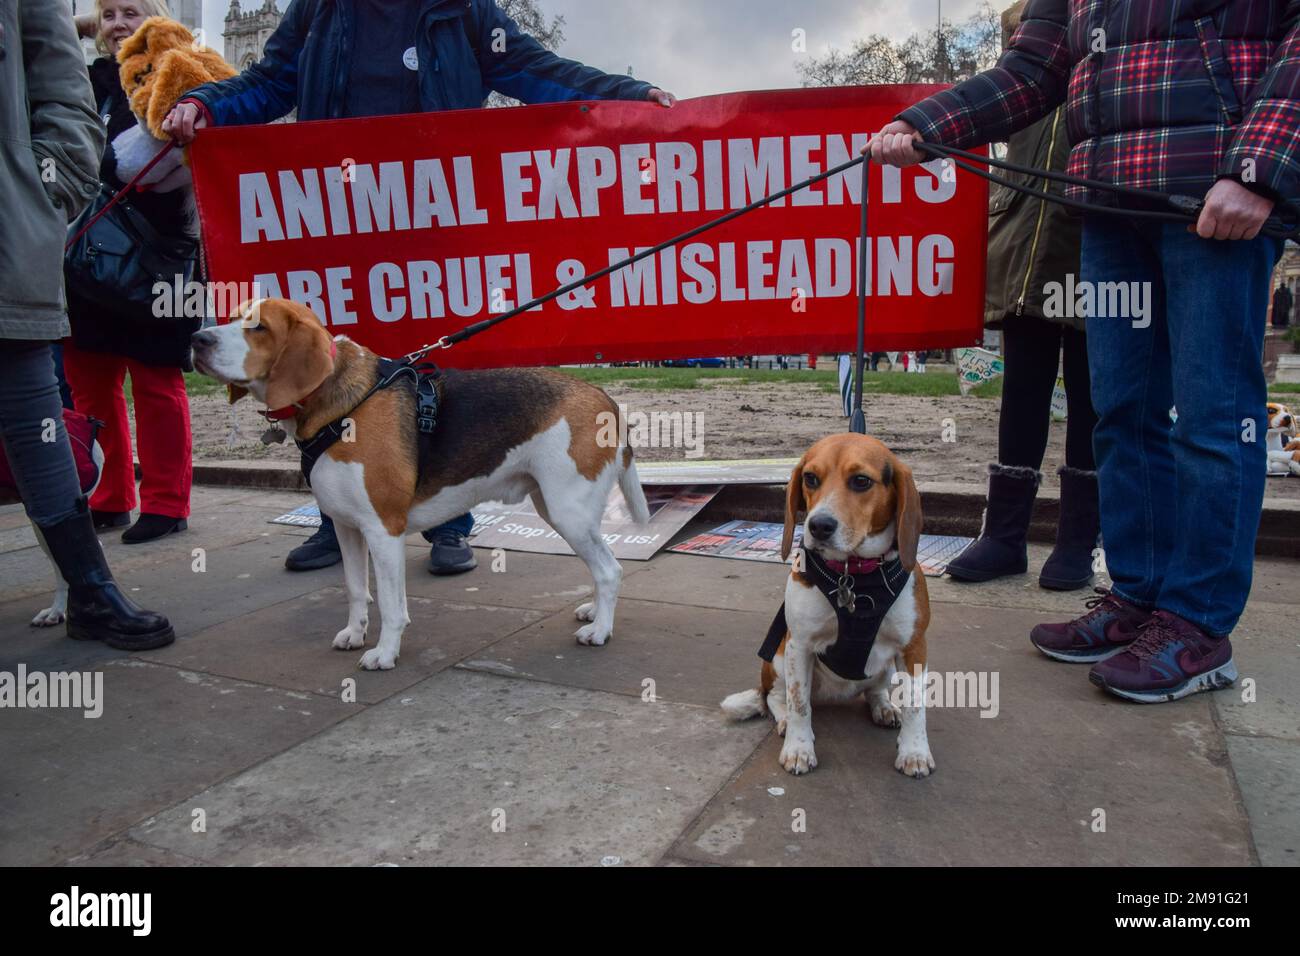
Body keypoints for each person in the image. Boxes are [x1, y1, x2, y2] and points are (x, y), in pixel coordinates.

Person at [869, 0, 1295, 703]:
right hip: (1107, 200)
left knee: (1217, 417)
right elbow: (1033, 71)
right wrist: (926, 124)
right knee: (1121, 411)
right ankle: (1140, 595)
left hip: (1214, 191)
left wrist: (1260, 166)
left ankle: (1199, 626)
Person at [164, 0, 676, 575]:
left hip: (437, 227)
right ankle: (342, 520)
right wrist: (205, 103)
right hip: (335, 221)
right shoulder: (320, 10)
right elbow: (271, 79)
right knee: (333, 373)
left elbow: (540, 71)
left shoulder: (464, 12)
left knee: (438, 375)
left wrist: (628, 95)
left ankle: (450, 521)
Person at [0, 0, 173, 648]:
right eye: (111, 11)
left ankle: (90, 587)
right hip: (72, 252)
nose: (118, 20)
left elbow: (60, 91)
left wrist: (43, 199)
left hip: (30, 231)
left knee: (33, 401)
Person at [946, 93, 1098, 593]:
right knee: (1023, 390)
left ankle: (1078, 538)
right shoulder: (1036, 41)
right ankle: (1006, 536)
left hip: (1091, 230)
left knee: (1090, 392)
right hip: (1023, 231)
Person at [64, 0, 198, 545]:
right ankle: (108, 495)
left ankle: (167, 503)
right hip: (86, 257)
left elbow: (138, 160)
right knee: (90, 383)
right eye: (109, 13)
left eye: (132, 11)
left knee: (157, 382)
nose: (120, 23)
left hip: (159, 258)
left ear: (157, 16)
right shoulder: (85, 78)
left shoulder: (182, 70)